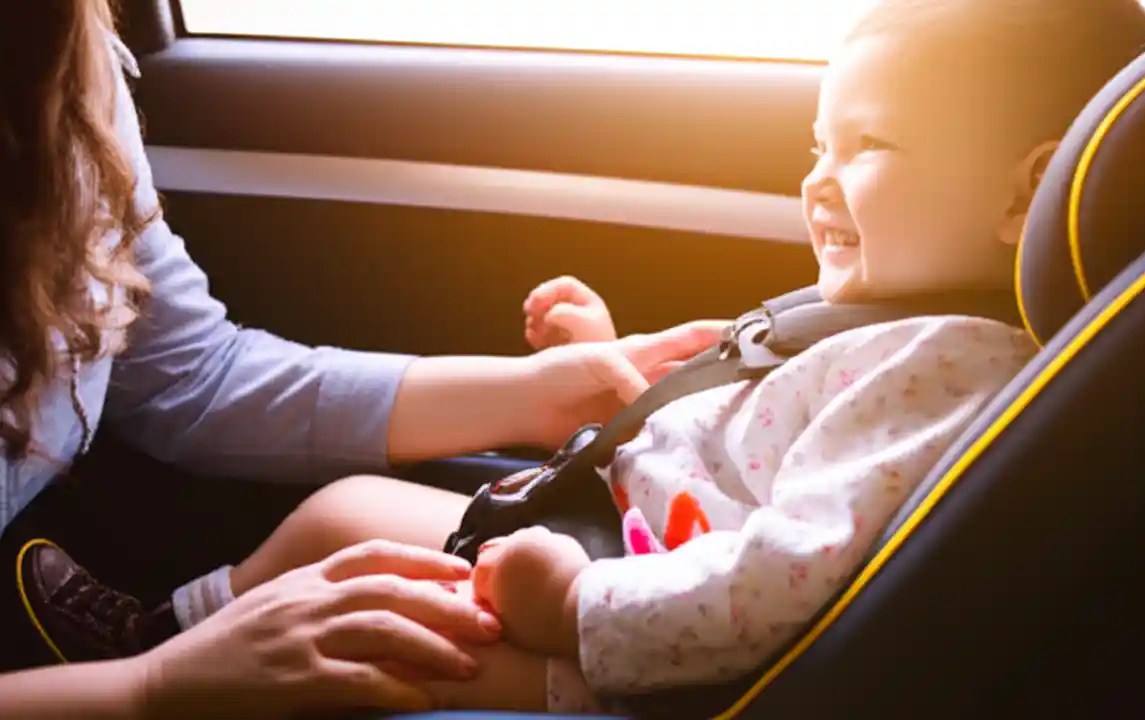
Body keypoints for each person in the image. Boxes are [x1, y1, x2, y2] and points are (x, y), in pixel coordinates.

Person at [16, 0, 1145, 714]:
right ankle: (165, 631)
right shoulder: (887, 328)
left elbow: (782, 574)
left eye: (866, 148)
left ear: (1026, 190)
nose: (815, 180)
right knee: (344, 514)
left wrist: (577, 607)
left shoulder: (942, 372)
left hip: (634, 624)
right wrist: (613, 384)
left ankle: (181, 651)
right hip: (631, 536)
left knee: (369, 632)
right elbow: (746, 431)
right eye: (816, 144)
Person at [0, 0, 721, 717]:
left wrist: (536, 394)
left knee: (352, 524)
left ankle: (152, 632)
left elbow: (192, 377)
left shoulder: (70, 61)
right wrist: (150, 688)